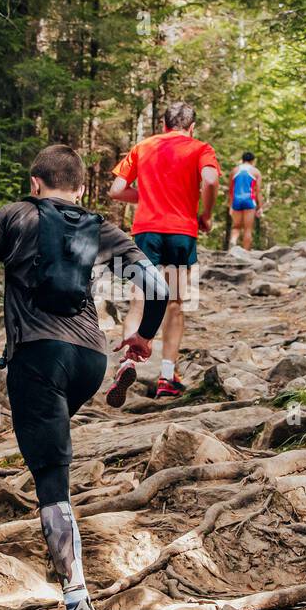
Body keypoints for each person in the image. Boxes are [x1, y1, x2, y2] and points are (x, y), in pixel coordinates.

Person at [0, 144, 169, 610]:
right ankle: (70, 609)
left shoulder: (12, 216)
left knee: (52, 481)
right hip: (90, 361)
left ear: (34, 184)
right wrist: (140, 338)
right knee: (49, 448)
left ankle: (77, 603)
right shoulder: (100, 227)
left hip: (36, 357)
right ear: (79, 189)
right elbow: (156, 284)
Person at [108, 101, 220, 399]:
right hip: (182, 232)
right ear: (191, 126)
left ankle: (128, 362)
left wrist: (148, 196)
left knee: (139, 300)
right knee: (174, 303)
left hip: (146, 231)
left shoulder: (143, 146)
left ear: (164, 124)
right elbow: (210, 180)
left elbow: (116, 190)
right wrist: (206, 215)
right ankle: (167, 376)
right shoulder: (200, 148)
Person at [229, 151, 261, 252]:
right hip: (249, 200)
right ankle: (245, 252)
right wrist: (260, 206)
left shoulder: (234, 171)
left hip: (236, 200)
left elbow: (231, 190)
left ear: (242, 160)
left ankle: (233, 241)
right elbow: (258, 191)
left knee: (236, 226)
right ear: (252, 161)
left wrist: (230, 205)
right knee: (248, 229)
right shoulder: (256, 172)